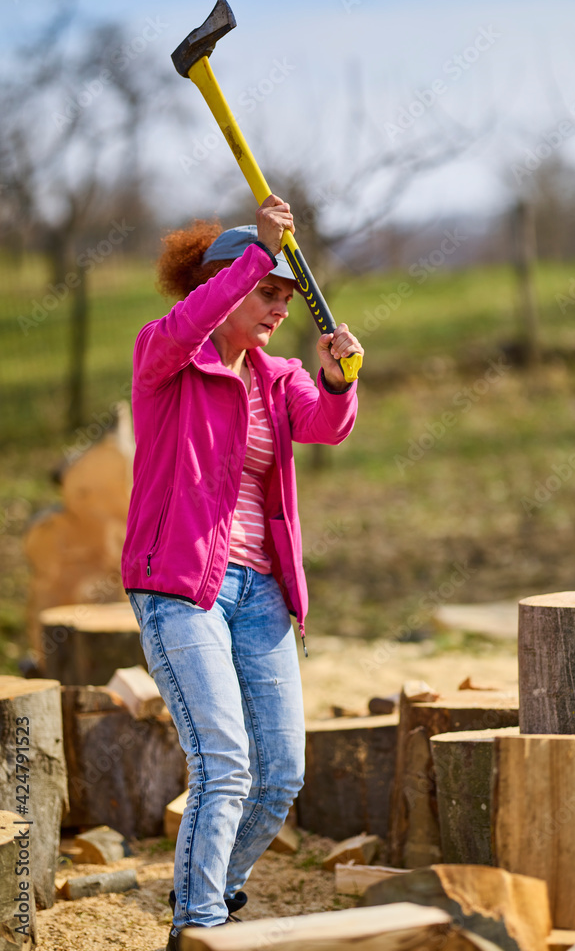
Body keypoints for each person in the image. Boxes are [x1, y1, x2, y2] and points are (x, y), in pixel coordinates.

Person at [121, 195, 363, 948]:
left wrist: (336, 378)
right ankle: (196, 930)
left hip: (260, 595)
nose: (280, 309)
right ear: (223, 283)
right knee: (223, 761)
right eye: (267, 292)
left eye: (289, 297)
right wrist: (262, 250)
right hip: (181, 588)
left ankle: (211, 896)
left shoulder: (275, 375)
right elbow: (190, 322)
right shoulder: (164, 358)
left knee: (278, 776)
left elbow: (324, 426)